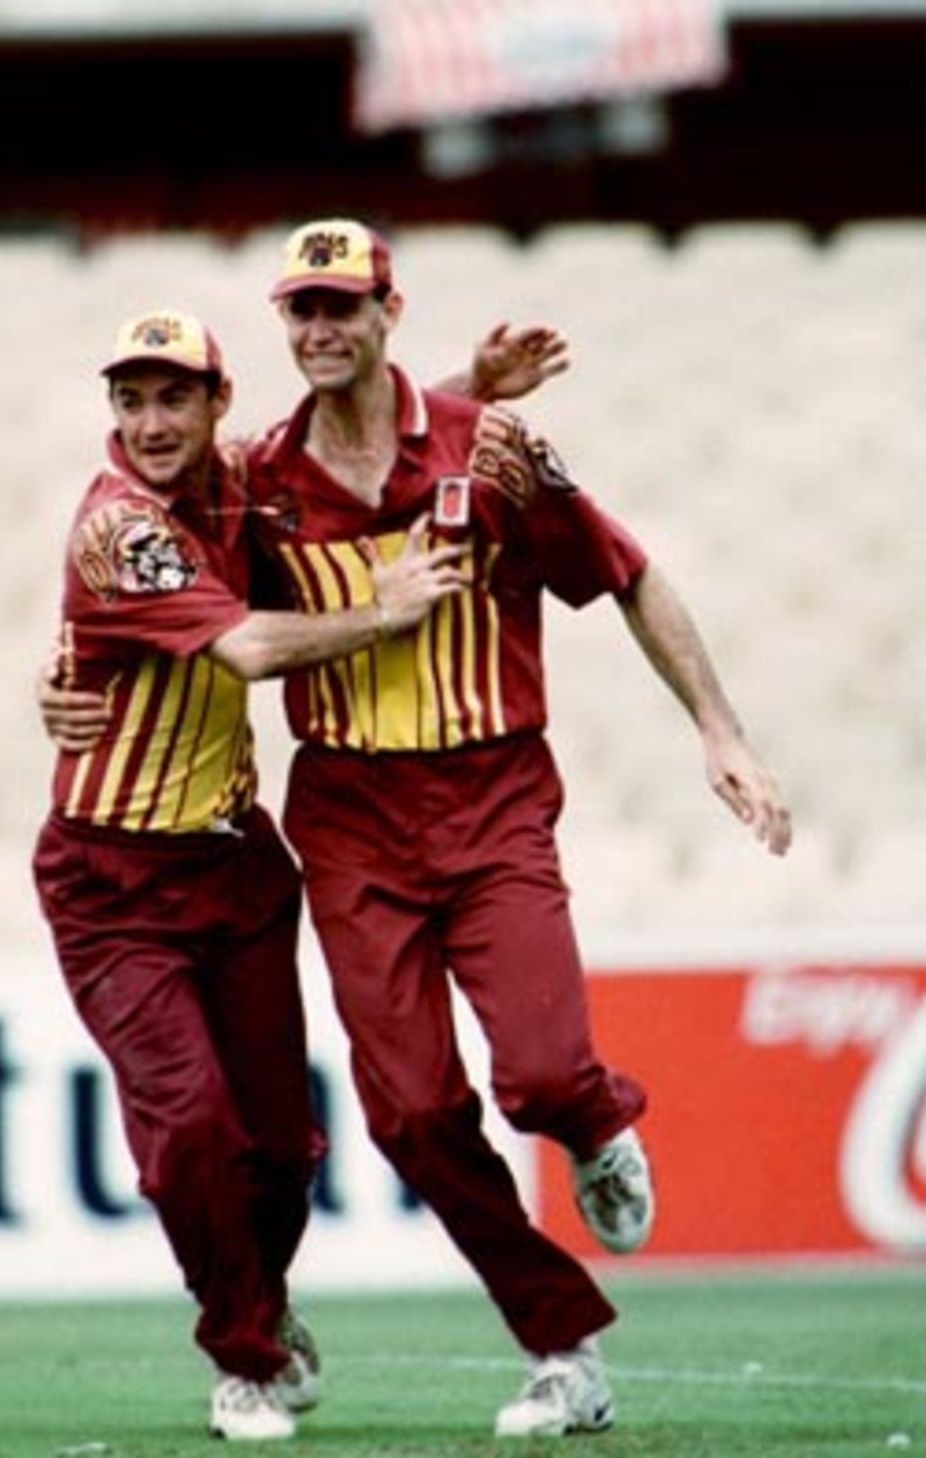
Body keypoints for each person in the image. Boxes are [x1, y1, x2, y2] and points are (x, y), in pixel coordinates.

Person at [40, 225, 791, 1438]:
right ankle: (563, 1349)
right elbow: (185, 584)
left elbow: (628, 569)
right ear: (282, 334)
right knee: (409, 1118)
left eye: (343, 307)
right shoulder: (254, 478)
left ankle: (593, 1119)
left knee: (541, 1076)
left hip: (492, 800)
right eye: (303, 312)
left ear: (390, 310)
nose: (322, 330)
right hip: (345, 819)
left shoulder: (489, 449)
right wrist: (63, 674)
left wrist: (721, 732)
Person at [31, 307, 469, 1442]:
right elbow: (247, 648)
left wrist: (474, 381)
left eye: (173, 396)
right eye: (130, 398)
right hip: (113, 881)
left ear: (216, 404)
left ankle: (260, 1303)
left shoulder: (237, 482)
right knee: (191, 1127)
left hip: (234, 866)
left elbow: (338, 443)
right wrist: (385, 616)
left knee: (284, 1147)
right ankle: (241, 1355)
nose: (149, 420)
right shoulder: (118, 528)